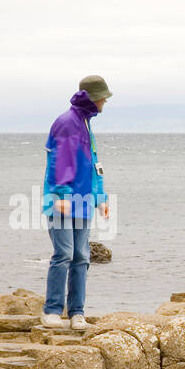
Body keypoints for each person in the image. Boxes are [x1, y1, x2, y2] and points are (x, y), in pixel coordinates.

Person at [41, 74, 111, 330]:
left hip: (83, 202)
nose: (105, 101)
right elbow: (58, 161)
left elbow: (94, 165)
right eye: (103, 97)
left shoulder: (85, 122)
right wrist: (58, 196)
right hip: (63, 202)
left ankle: (77, 313)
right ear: (93, 98)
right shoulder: (67, 123)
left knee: (82, 256)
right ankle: (51, 311)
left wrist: (100, 198)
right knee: (64, 254)